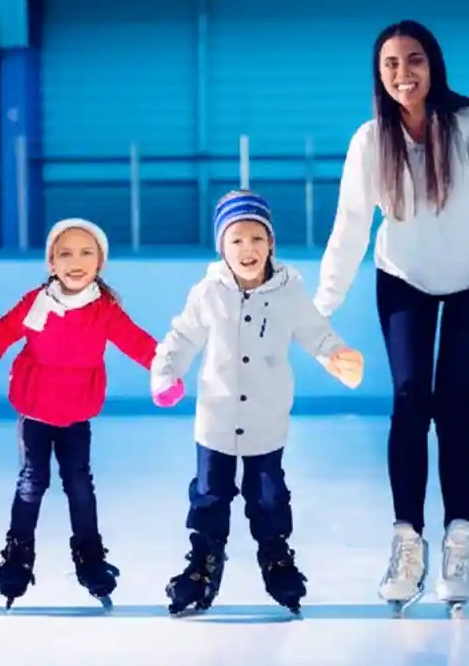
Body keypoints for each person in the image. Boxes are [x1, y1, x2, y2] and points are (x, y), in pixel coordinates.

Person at [313, 19, 469, 617]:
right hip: (404, 279)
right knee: (410, 398)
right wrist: (319, 311)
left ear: (433, 65)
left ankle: (459, 540)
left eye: (413, 60)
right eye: (390, 64)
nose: (402, 74)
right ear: (378, 74)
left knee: (452, 403)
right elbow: (350, 228)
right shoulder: (369, 142)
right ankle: (407, 541)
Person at [151, 190, 365, 616]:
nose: (247, 249)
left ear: (270, 243)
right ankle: (203, 563)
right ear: (222, 247)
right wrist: (166, 372)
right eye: (236, 240)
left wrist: (336, 356)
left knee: (268, 496)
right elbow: (182, 337)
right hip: (215, 420)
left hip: (266, 421)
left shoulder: (289, 292)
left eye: (256, 238)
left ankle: (276, 557)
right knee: (210, 495)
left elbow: (315, 333)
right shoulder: (208, 291)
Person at [0, 218, 159, 610]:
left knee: (79, 484)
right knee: (32, 481)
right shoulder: (38, 302)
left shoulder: (104, 309)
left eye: (86, 252)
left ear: (100, 262)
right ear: (51, 262)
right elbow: (2, 332)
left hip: (76, 413)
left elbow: (136, 341)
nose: (75, 261)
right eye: (65, 253)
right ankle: (18, 554)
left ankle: (89, 556)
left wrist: (163, 371)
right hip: (34, 410)